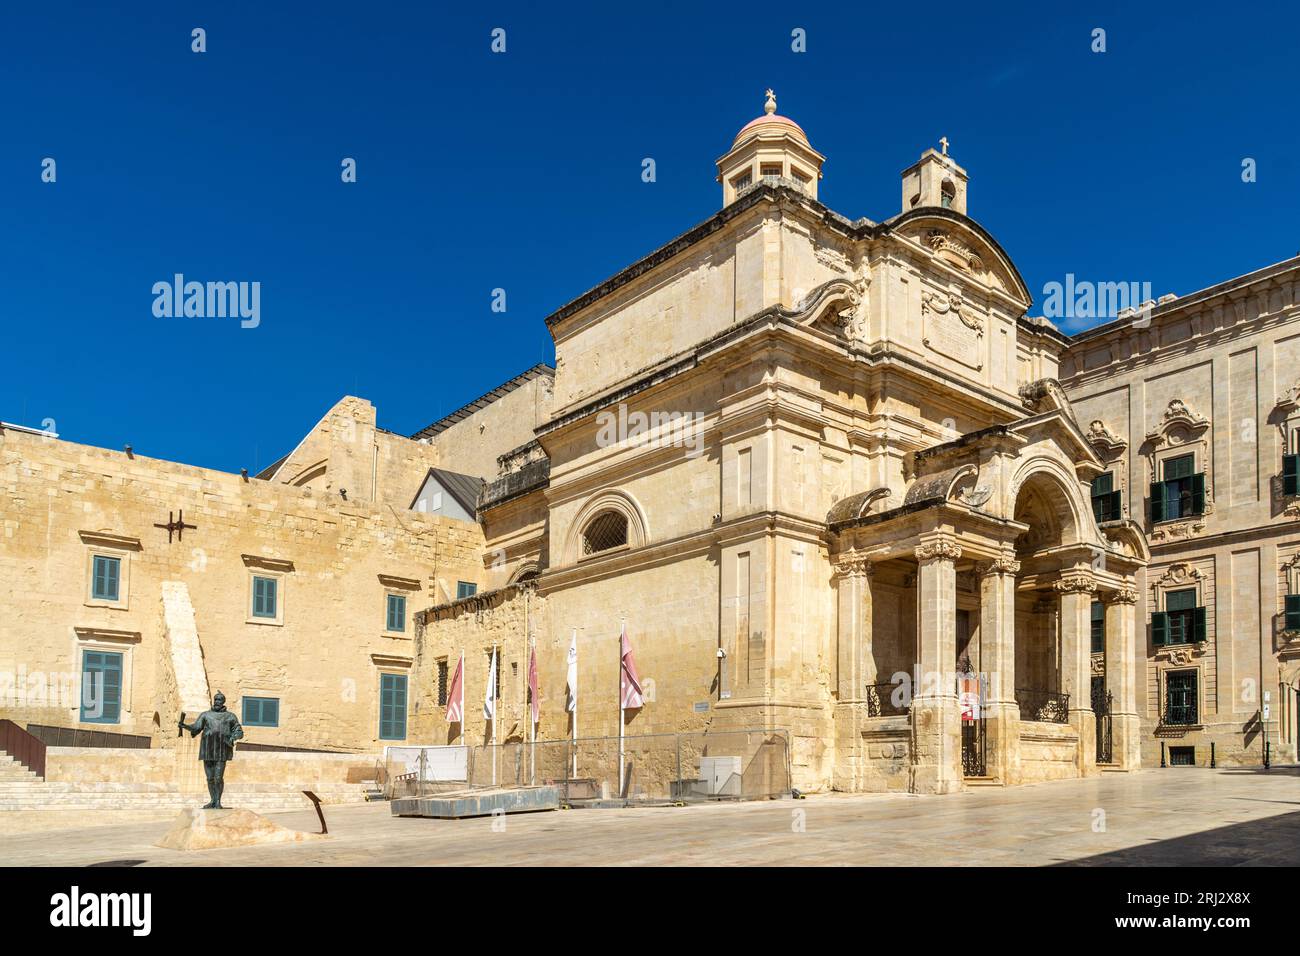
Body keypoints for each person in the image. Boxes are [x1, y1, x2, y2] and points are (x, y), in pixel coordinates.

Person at [178, 691, 244, 809]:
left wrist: (233, 738)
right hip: (207, 749)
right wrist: (185, 726)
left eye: (220, 700)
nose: (217, 702)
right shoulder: (205, 715)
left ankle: (218, 801)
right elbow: (196, 727)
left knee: (218, 778)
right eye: (216, 699)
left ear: (223, 701)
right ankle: (212, 800)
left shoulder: (230, 716)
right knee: (210, 778)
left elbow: (239, 731)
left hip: (222, 750)